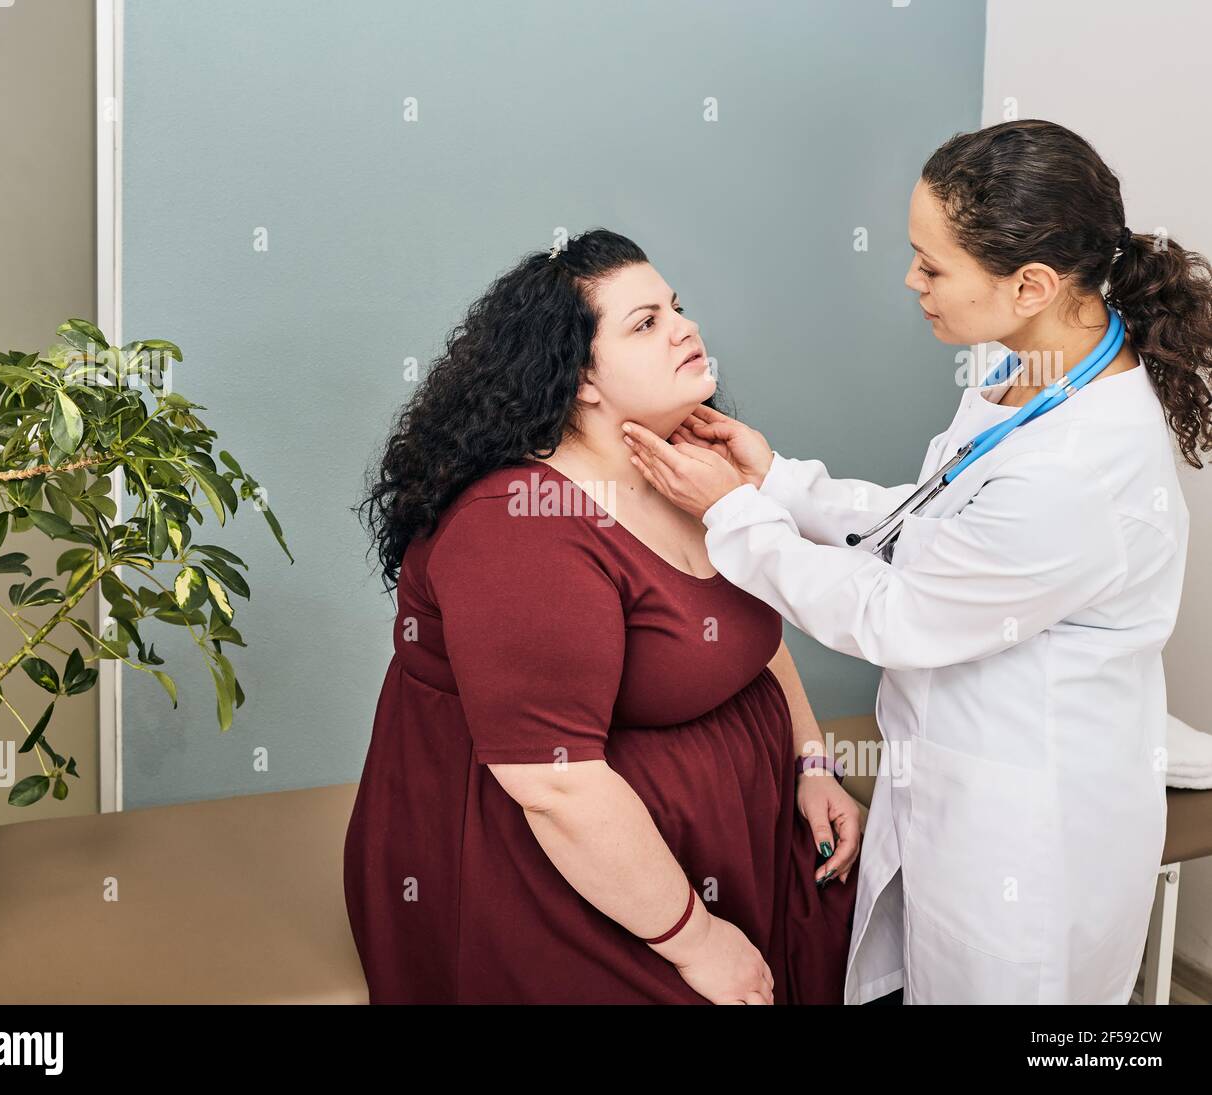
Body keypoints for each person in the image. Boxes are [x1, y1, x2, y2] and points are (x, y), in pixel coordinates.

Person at [623, 119, 1212, 1004]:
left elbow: (897, 614)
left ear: (1032, 283)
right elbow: (938, 521)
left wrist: (733, 514)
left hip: (1028, 840)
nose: (911, 280)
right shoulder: (1038, 365)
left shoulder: (1081, 468)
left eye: (933, 266)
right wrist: (779, 480)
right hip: (951, 777)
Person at [345, 228, 861, 1004]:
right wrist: (696, 940)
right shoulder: (519, 530)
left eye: (677, 308)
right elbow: (556, 786)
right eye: (645, 322)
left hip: (743, 839)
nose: (685, 327)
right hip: (572, 869)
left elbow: (753, 637)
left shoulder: (692, 463)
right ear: (580, 375)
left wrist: (811, 764)